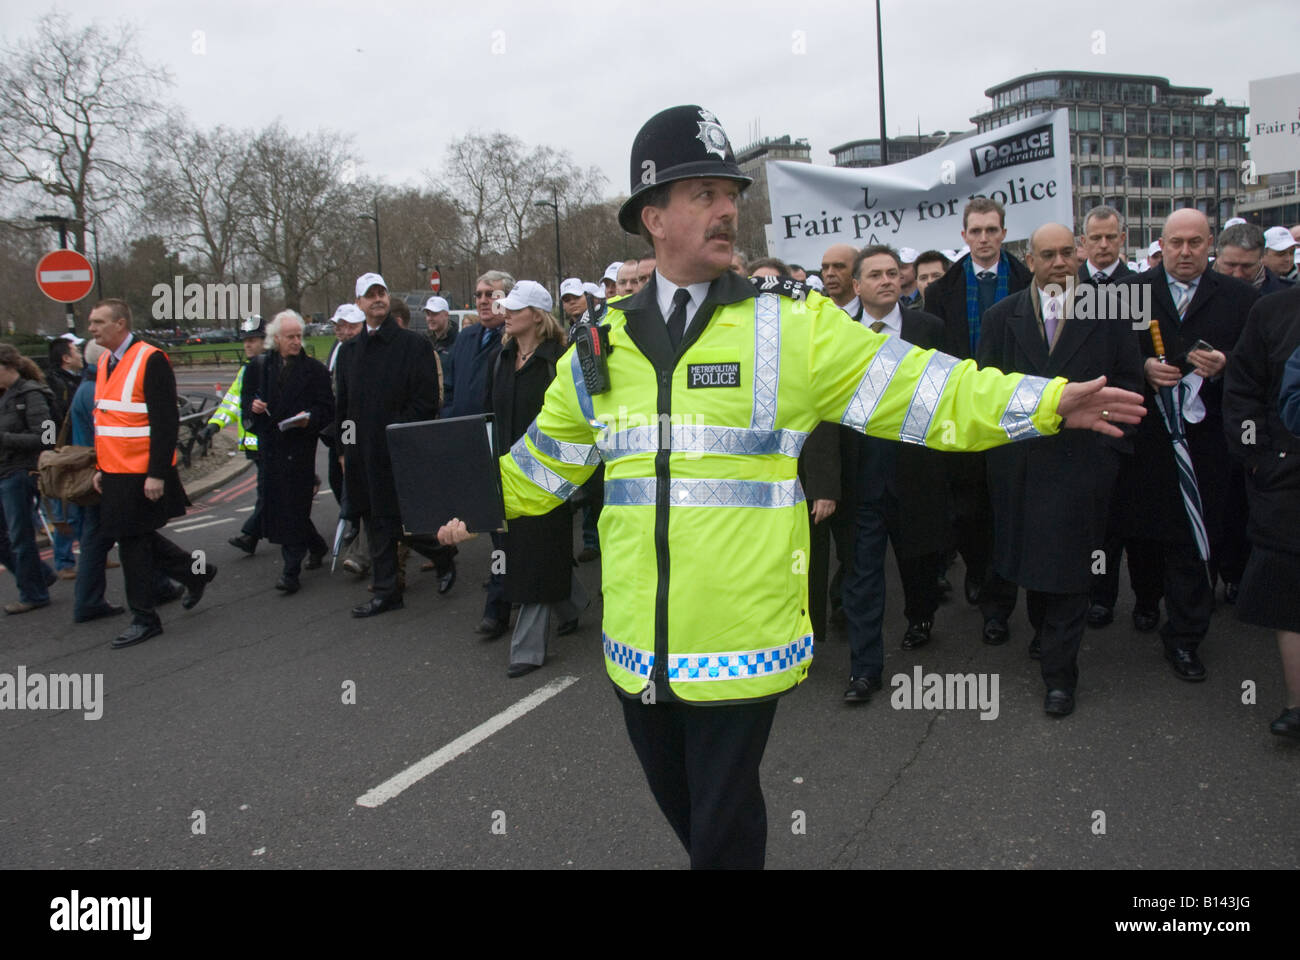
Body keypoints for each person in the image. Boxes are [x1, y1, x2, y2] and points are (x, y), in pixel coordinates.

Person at [436, 104, 1144, 869]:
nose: (726, 207)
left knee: (723, 827)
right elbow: (543, 466)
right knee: (688, 810)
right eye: (702, 192)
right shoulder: (600, 343)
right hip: (637, 645)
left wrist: (1044, 403)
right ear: (653, 217)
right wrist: (465, 506)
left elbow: (927, 392)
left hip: (741, 638)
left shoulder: (793, 328)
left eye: (729, 192)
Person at [979, 223, 1144, 715]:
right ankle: (1044, 636)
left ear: (1078, 256)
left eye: (1067, 253)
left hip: (1083, 466)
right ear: (1029, 260)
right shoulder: (1000, 317)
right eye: (1047, 254)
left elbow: (1131, 382)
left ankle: (1060, 676)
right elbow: (983, 391)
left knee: (1072, 570)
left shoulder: (1110, 317)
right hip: (1022, 467)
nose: (1058, 262)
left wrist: (1109, 450)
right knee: (1034, 564)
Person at [1118, 209, 1258, 680]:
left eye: (1195, 242)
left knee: (1196, 542)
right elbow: (1108, 354)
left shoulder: (1239, 297)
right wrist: (1142, 369)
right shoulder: (1133, 293)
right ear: (1161, 243)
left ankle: (1185, 637)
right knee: (1148, 531)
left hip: (1208, 443)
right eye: (1175, 242)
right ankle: (1145, 601)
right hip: (1149, 439)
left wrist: (1228, 364)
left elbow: (1262, 363)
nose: (1184, 251)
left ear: (1210, 243)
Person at [839, 245, 951, 703]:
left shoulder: (930, 330)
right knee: (862, 572)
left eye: (893, 273)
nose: (887, 280)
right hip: (861, 472)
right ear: (857, 286)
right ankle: (865, 670)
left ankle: (920, 615)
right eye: (876, 275)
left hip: (916, 467)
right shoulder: (838, 335)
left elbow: (953, 391)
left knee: (919, 558)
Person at [924, 197, 1032, 641]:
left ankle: (997, 604)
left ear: (1004, 233)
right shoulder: (942, 290)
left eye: (993, 230)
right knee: (969, 511)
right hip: (964, 414)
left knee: (1008, 508)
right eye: (977, 231)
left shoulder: (1027, 280)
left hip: (1018, 411)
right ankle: (977, 569)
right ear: (964, 236)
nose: (985, 239)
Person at [87, 299, 217, 648]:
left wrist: (157, 473)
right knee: (135, 538)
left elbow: (165, 421)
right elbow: (107, 421)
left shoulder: (150, 359)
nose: (92, 328)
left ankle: (145, 618)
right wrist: (101, 467)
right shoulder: (104, 362)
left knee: (132, 544)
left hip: (142, 472)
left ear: (120, 324)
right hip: (115, 471)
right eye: (90, 322)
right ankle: (196, 572)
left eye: (98, 322)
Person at [484, 280, 588, 677]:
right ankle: (573, 604)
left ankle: (527, 649)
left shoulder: (560, 361)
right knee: (529, 549)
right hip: (507, 473)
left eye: (514, 308)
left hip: (549, 477)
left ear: (537, 316)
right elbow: (488, 413)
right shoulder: (502, 356)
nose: (505, 313)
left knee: (535, 553)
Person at [334, 274, 444, 617]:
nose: (378, 299)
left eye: (382, 292)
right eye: (370, 295)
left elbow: (425, 401)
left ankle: (442, 554)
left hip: (398, 451)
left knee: (399, 520)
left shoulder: (413, 345)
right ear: (359, 304)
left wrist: (396, 433)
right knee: (376, 521)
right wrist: (344, 448)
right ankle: (388, 591)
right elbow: (345, 407)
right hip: (363, 455)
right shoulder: (349, 351)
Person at [1224, 285, 1300, 738]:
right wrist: (1257, 457)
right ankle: (1297, 705)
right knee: (1290, 591)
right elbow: (1244, 388)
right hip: (1287, 479)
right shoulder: (1272, 310)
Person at [247, 311, 333, 594]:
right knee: (281, 506)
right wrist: (254, 408)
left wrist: (311, 418)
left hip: (299, 448)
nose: (297, 342)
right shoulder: (259, 367)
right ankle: (317, 545)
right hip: (271, 448)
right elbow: (247, 401)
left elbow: (327, 409)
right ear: (276, 339)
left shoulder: (314, 371)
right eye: (291, 337)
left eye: (299, 336)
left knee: (294, 507)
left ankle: (290, 572)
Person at [0, 344, 56, 614]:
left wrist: (4, 439)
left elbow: (47, 436)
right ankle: (41, 575)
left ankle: (33, 594)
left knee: (20, 535)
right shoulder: (4, 395)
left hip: (20, 473)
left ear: (8, 367)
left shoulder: (31, 394)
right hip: (3, 472)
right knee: (4, 538)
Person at [208, 315, 267, 556]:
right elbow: (232, 401)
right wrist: (214, 425)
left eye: (253, 339)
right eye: (245, 340)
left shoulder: (272, 366)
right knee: (275, 494)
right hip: (254, 443)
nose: (247, 345)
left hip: (272, 443)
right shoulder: (247, 369)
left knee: (269, 491)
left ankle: (250, 535)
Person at [44, 335, 84, 579]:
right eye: (75, 351)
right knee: (65, 511)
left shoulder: (77, 379)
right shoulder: (54, 385)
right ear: (66, 358)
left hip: (80, 452)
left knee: (87, 508)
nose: (80, 354)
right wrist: (51, 451)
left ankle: (93, 554)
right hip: (64, 455)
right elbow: (50, 422)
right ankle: (64, 562)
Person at [1215, 223, 1293, 295]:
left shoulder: (1288, 296)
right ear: (1217, 255)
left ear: (1261, 259)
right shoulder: (1203, 287)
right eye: (1231, 265)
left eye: (1247, 266)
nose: (1238, 274)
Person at [1077, 205, 1133, 285]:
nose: (1104, 245)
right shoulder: (1067, 285)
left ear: (1122, 239)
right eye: (1096, 238)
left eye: (1110, 237)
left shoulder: (1141, 286)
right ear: (1084, 241)